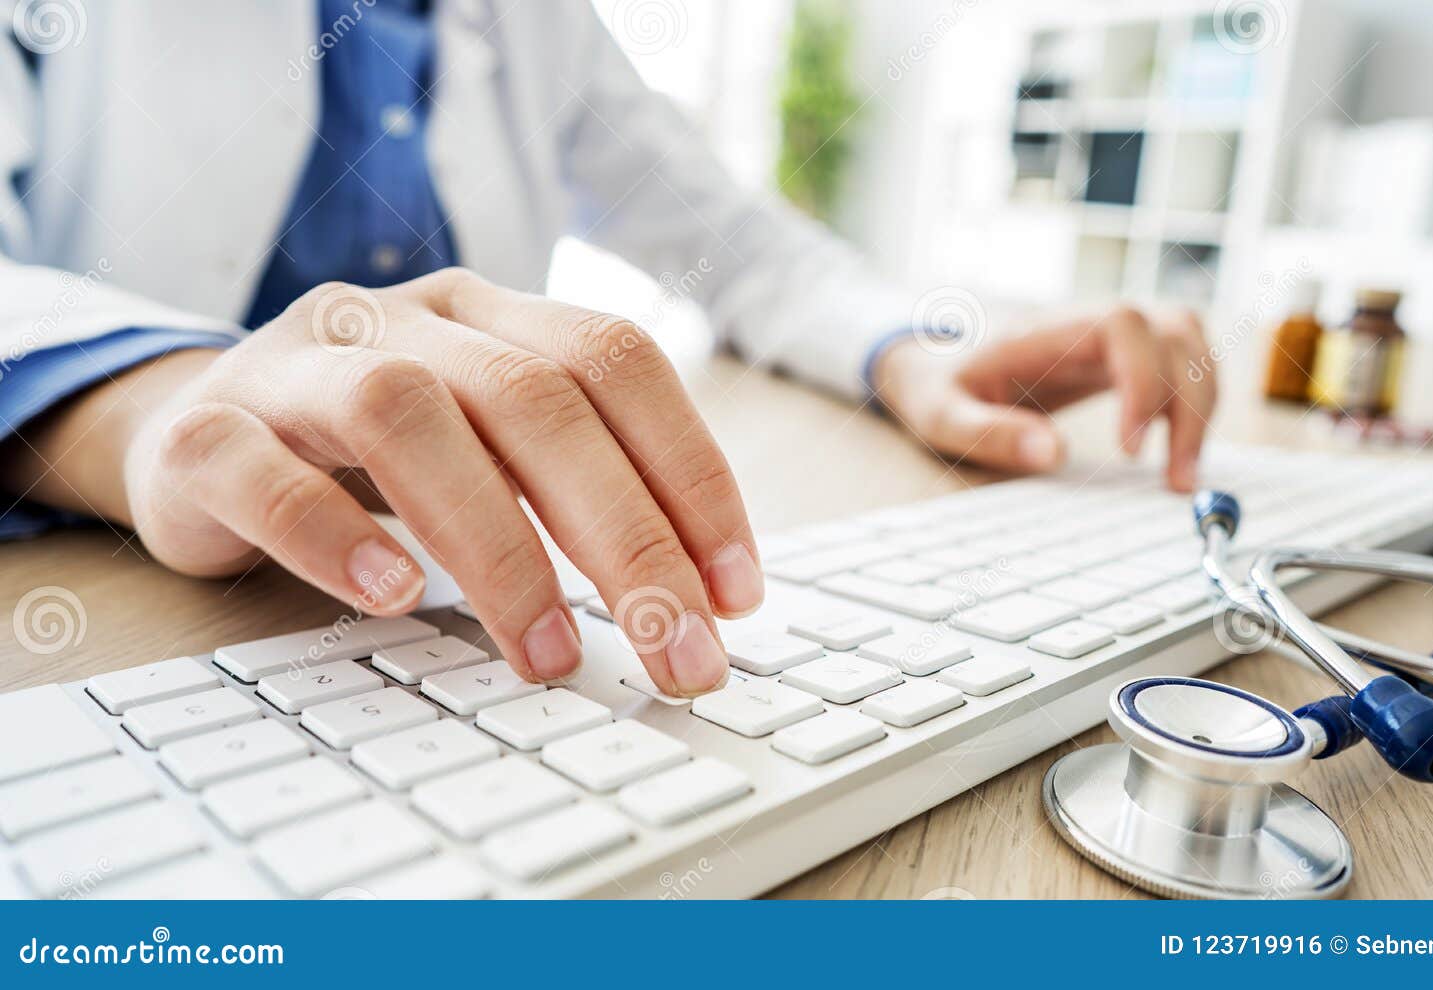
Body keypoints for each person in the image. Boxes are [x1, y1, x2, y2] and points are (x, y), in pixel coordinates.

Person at [0, 0, 1215, 697]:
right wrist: (159, 411)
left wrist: (913, 345)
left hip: (453, 580)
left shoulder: (532, 19)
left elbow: (736, 243)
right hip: (129, 595)